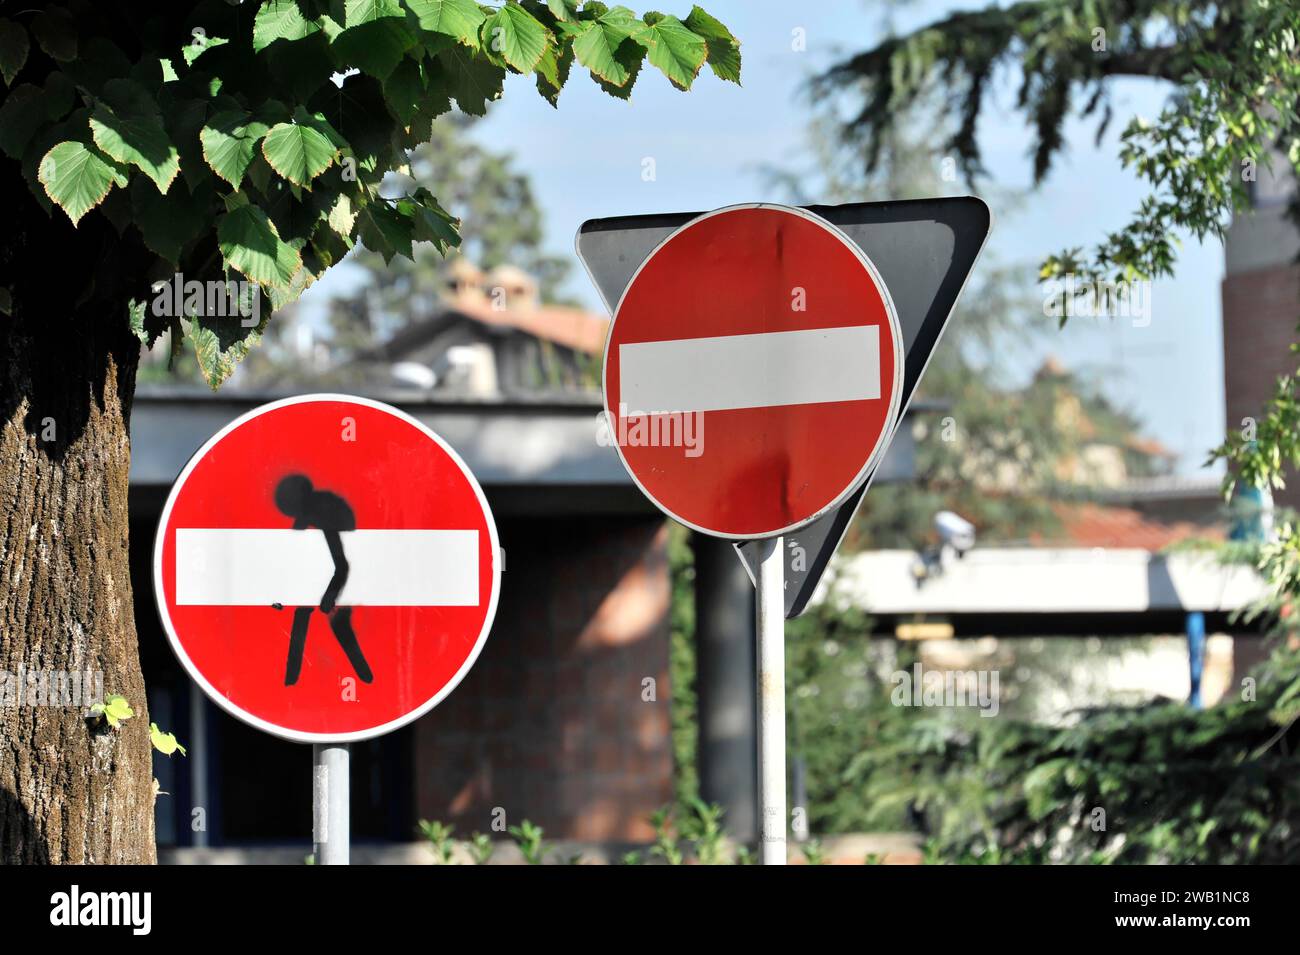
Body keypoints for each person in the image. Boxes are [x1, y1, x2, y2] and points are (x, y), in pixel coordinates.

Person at [273, 474, 374, 686]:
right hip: (323, 580)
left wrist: (330, 595)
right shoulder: (310, 512)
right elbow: (295, 543)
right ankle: (291, 681)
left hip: (339, 582)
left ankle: (365, 677)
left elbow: (342, 566)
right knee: (305, 617)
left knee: (339, 626)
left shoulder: (324, 513)